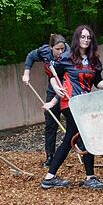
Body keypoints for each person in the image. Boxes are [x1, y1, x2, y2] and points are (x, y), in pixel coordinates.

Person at [41, 25, 103, 190]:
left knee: (71, 138)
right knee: (86, 135)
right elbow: (52, 76)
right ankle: (89, 177)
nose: (86, 40)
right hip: (70, 103)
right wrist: (56, 88)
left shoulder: (94, 61)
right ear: (77, 39)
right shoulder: (66, 58)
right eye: (82, 37)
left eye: (88, 37)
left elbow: (98, 83)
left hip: (86, 104)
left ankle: (50, 178)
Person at [21, 34, 71, 166]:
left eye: (62, 48)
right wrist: (26, 73)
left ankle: (83, 151)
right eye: (57, 49)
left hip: (68, 88)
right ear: (50, 47)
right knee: (50, 122)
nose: (60, 52)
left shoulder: (68, 53)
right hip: (53, 89)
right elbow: (31, 56)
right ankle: (50, 156)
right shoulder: (44, 51)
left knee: (74, 122)